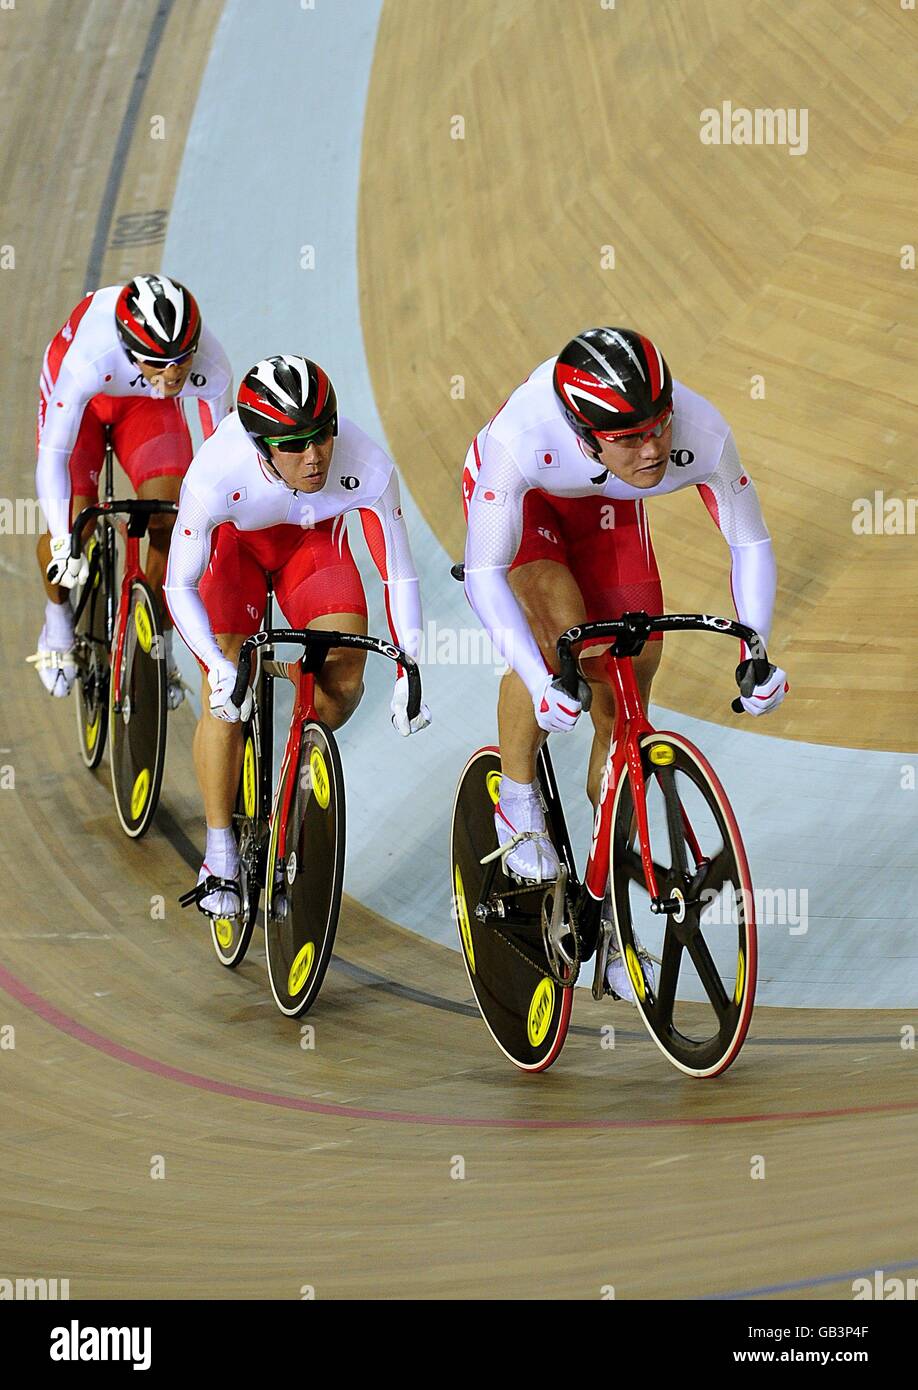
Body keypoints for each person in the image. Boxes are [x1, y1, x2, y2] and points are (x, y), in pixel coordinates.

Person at [461, 326, 787, 1000]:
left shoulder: (698, 430)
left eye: (658, 427)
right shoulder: (520, 438)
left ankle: (608, 903)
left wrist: (755, 650)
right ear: (587, 435)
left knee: (629, 685)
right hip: (532, 508)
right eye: (632, 437)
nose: (656, 448)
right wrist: (536, 672)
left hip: (610, 509)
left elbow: (750, 541)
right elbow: (484, 575)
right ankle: (517, 800)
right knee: (561, 631)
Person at [163, 353, 431, 916]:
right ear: (261, 446)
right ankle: (220, 855)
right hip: (236, 553)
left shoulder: (368, 465)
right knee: (230, 692)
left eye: (322, 435)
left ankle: (291, 768)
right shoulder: (215, 474)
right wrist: (216, 666)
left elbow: (399, 572)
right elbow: (178, 584)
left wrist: (411, 665)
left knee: (346, 672)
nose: (315, 458)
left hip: (313, 550)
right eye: (294, 444)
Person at [31, 273, 233, 706]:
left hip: (145, 404)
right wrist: (64, 539)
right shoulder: (90, 356)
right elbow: (53, 456)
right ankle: (57, 618)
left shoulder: (211, 365)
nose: (175, 372)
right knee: (74, 525)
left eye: (182, 359)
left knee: (170, 517)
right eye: (160, 363)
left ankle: (159, 637)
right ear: (129, 350)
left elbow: (223, 455)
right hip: (82, 403)